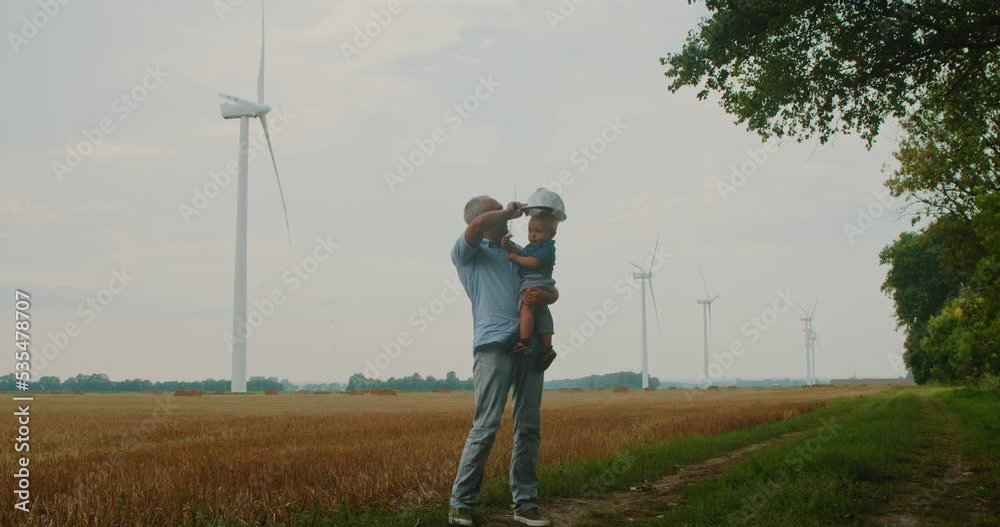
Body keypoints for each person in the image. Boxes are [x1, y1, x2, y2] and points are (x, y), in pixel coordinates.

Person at [449, 197, 557, 527]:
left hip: (529, 347)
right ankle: (461, 504)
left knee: (528, 427)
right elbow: (476, 227)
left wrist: (549, 297)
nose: (509, 219)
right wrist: (506, 210)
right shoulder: (467, 252)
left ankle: (525, 506)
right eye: (499, 213)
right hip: (493, 347)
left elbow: (544, 289)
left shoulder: (518, 251)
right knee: (486, 427)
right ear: (483, 219)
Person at [501, 212, 559, 372]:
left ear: (551, 234)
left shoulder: (547, 248)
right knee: (541, 313)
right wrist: (508, 246)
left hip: (536, 280)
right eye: (530, 230)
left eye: (538, 231)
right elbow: (523, 253)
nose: (533, 235)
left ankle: (524, 339)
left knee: (526, 306)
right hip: (543, 283)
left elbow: (533, 262)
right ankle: (547, 348)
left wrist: (515, 259)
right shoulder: (533, 247)